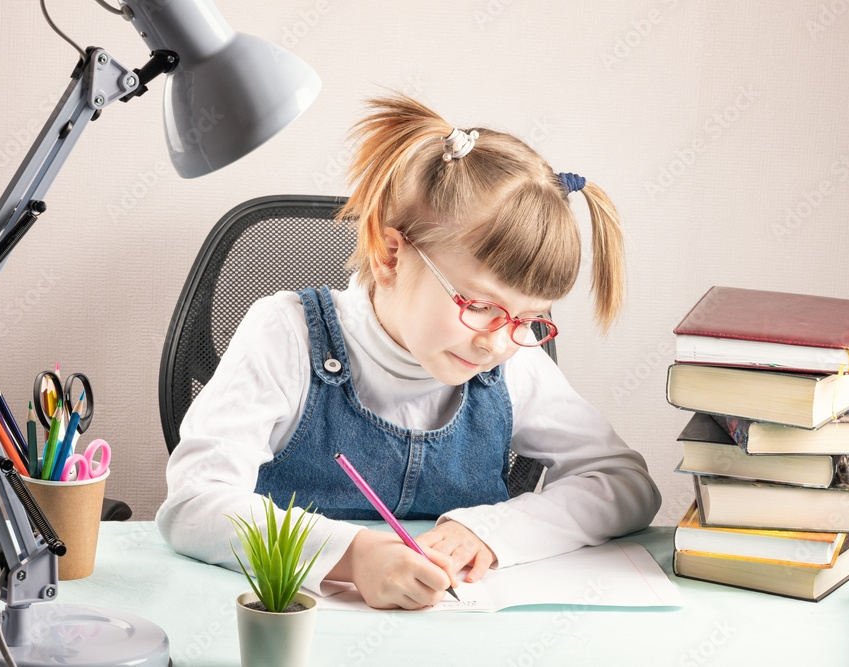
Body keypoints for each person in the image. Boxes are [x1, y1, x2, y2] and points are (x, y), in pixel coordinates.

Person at [156, 94, 661, 610]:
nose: (496, 341)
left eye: (530, 320)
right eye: (479, 304)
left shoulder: (514, 360)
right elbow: (193, 504)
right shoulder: (286, 334)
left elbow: (626, 485)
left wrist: (490, 531)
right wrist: (350, 555)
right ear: (390, 255)